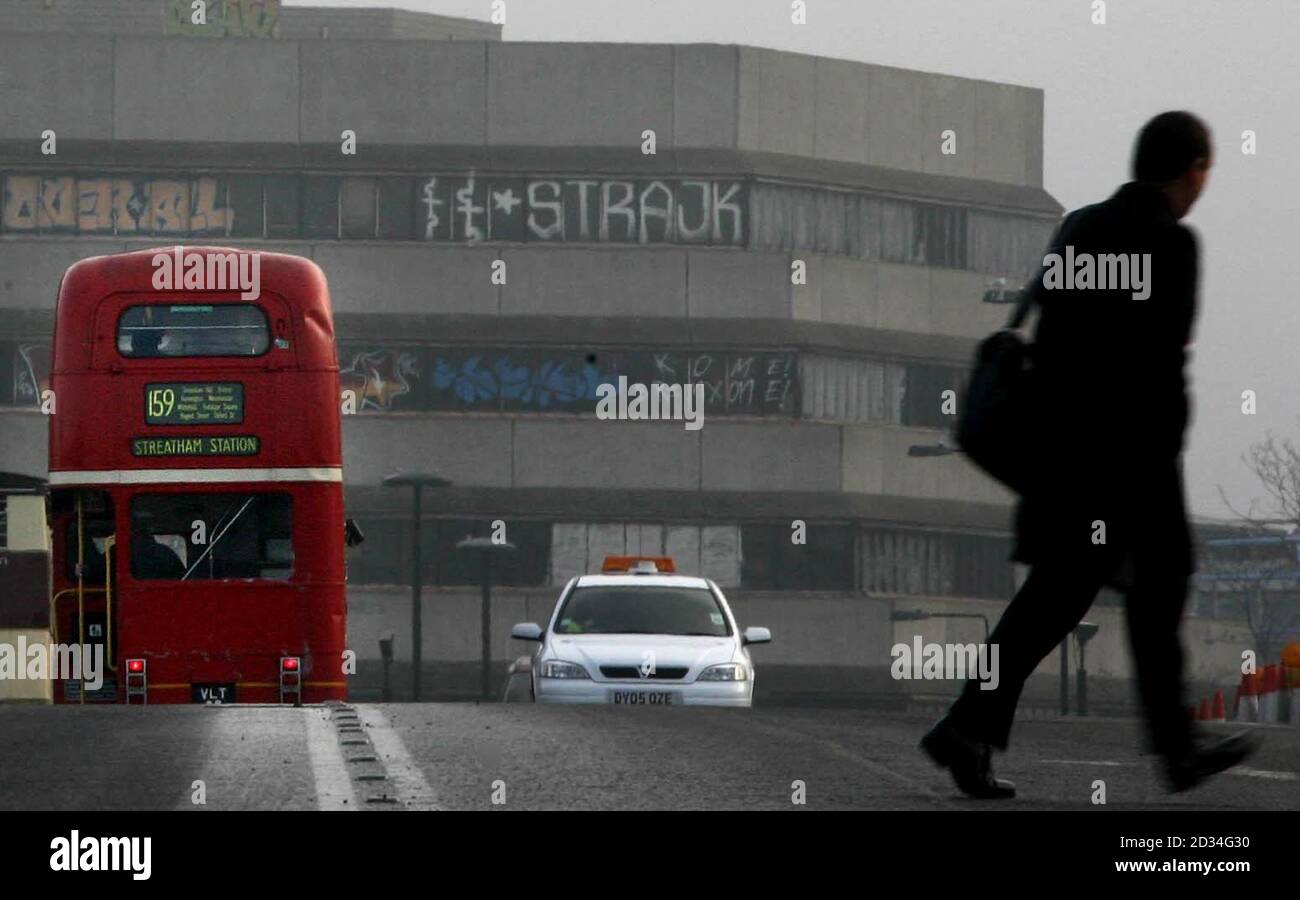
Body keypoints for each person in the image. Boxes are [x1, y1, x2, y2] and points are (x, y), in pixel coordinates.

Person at [922, 111, 1257, 798]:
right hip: (1131, 461)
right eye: (1204, 169)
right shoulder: (1174, 243)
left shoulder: (1081, 226)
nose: (1204, 185)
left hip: (1061, 455)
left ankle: (965, 730)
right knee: (1153, 588)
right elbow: (1164, 361)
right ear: (1188, 169)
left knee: (1052, 601)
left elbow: (1052, 333)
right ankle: (1174, 749)